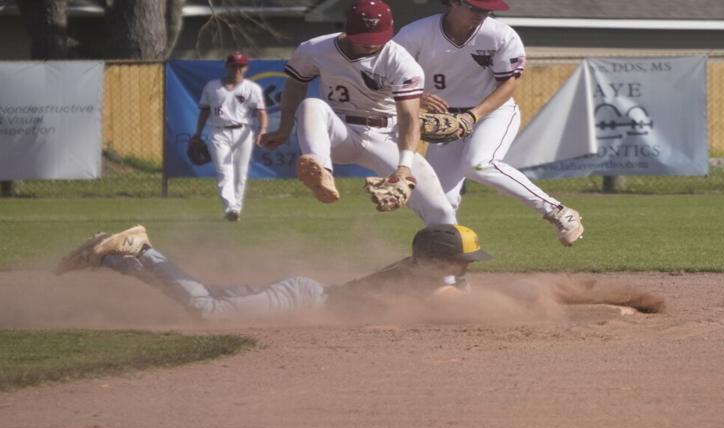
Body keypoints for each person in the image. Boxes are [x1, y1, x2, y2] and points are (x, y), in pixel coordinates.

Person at [393, 0, 585, 246]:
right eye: (476, 7)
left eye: (488, 9)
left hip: (493, 113)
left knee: (479, 164)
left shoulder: (500, 35)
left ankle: (558, 211)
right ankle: (448, 267)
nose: (483, 13)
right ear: (453, 2)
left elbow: (509, 84)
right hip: (446, 121)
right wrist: (418, 96)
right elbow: (388, 73)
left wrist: (472, 115)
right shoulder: (415, 34)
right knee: (437, 201)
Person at [257, 0, 456, 228]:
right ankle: (322, 171)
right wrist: (284, 128)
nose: (371, 45)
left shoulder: (402, 63)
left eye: (378, 39)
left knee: (441, 210)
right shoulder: (315, 49)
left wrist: (404, 166)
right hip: (340, 132)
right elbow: (295, 84)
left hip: (384, 135)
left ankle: (442, 259)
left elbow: (408, 119)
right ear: (348, 29)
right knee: (312, 105)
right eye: (364, 39)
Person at [51, 224, 489, 321]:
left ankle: (110, 257)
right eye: (463, 259)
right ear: (436, 259)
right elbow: (466, 309)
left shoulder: (426, 272)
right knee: (207, 311)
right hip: (304, 299)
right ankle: (144, 248)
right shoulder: (427, 285)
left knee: (199, 293)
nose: (468, 264)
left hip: (309, 292)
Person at [192, 52, 268, 222]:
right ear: (227, 66)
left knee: (241, 173)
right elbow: (204, 111)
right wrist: (197, 133)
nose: (237, 69)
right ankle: (230, 207)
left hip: (244, 131)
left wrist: (262, 130)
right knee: (224, 171)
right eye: (234, 65)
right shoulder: (212, 87)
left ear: (246, 68)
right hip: (219, 131)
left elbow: (261, 112)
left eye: (241, 66)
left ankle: (236, 208)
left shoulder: (252, 88)